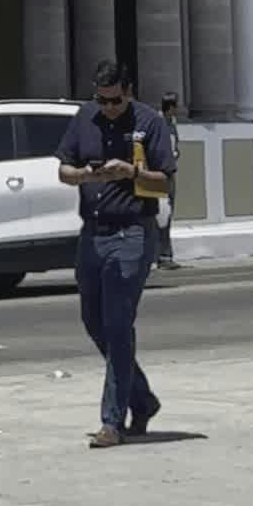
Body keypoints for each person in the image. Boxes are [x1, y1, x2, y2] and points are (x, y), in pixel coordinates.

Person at [59, 57, 177, 448]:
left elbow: (163, 183)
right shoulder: (85, 118)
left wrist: (131, 173)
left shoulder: (149, 123)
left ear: (128, 92)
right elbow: (63, 169)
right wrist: (86, 175)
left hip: (131, 233)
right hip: (92, 232)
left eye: (114, 100)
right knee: (93, 321)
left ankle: (112, 421)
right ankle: (142, 399)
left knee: (117, 323)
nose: (107, 107)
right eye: (101, 99)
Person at [149, 89, 181, 269]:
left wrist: (176, 153)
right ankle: (158, 255)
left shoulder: (171, 124)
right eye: (175, 107)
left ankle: (165, 255)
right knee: (159, 214)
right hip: (159, 174)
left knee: (168, 215)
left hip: (170, 173)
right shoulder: (158, 123)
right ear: (170, 107)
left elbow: (176, 144)